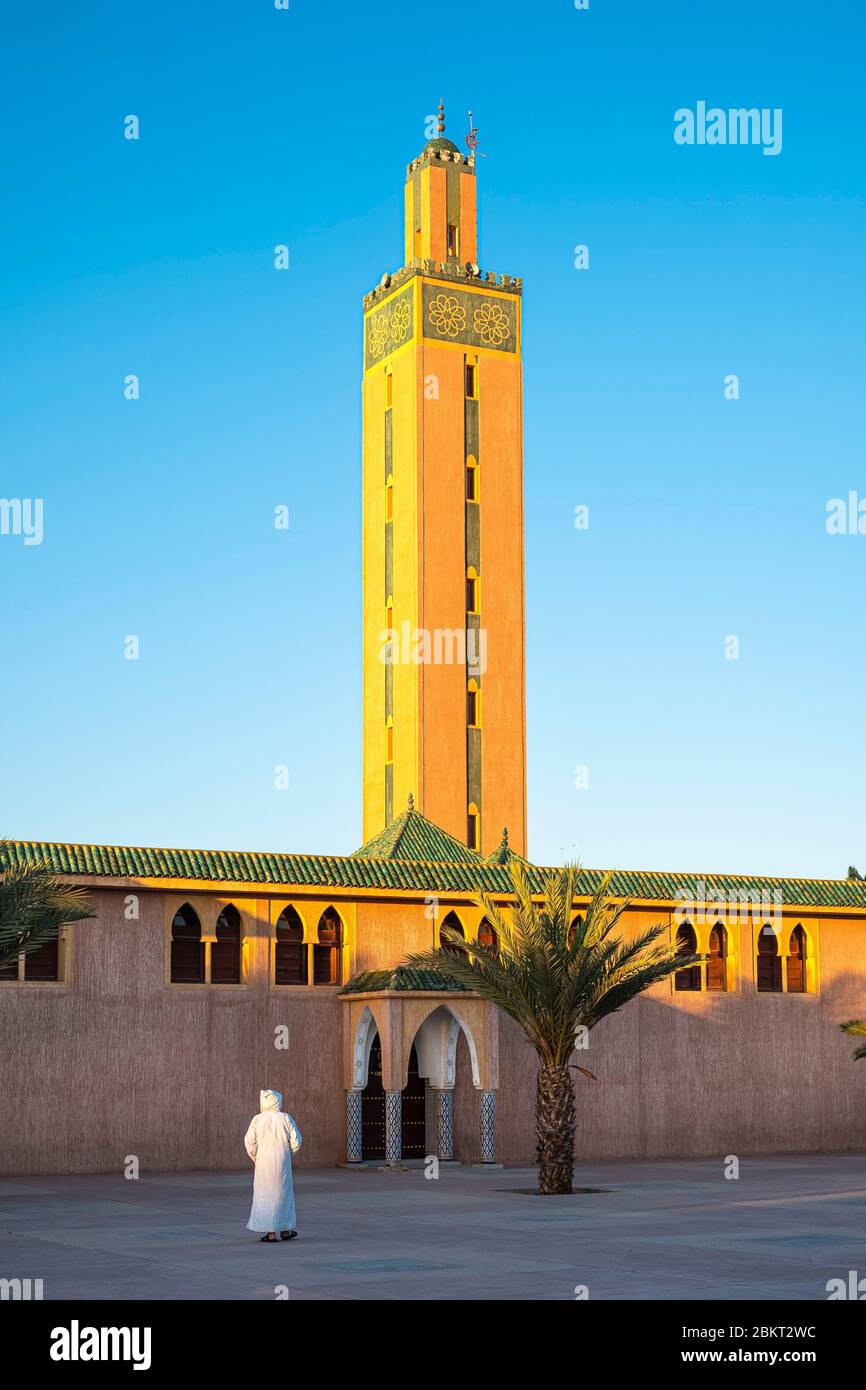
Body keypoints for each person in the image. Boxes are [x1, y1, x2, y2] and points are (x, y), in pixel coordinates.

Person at [244, 1089, 302, 1242]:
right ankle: (285, 1230)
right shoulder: (285, 1118)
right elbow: (297, 1141)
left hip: (264, 1160)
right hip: (282, 1159)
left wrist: (256, 1157)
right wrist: (289, 1154)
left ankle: (271, 1233)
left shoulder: (257, 1119)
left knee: (265, 1194)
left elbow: (249, 1142)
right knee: (283, 1194)